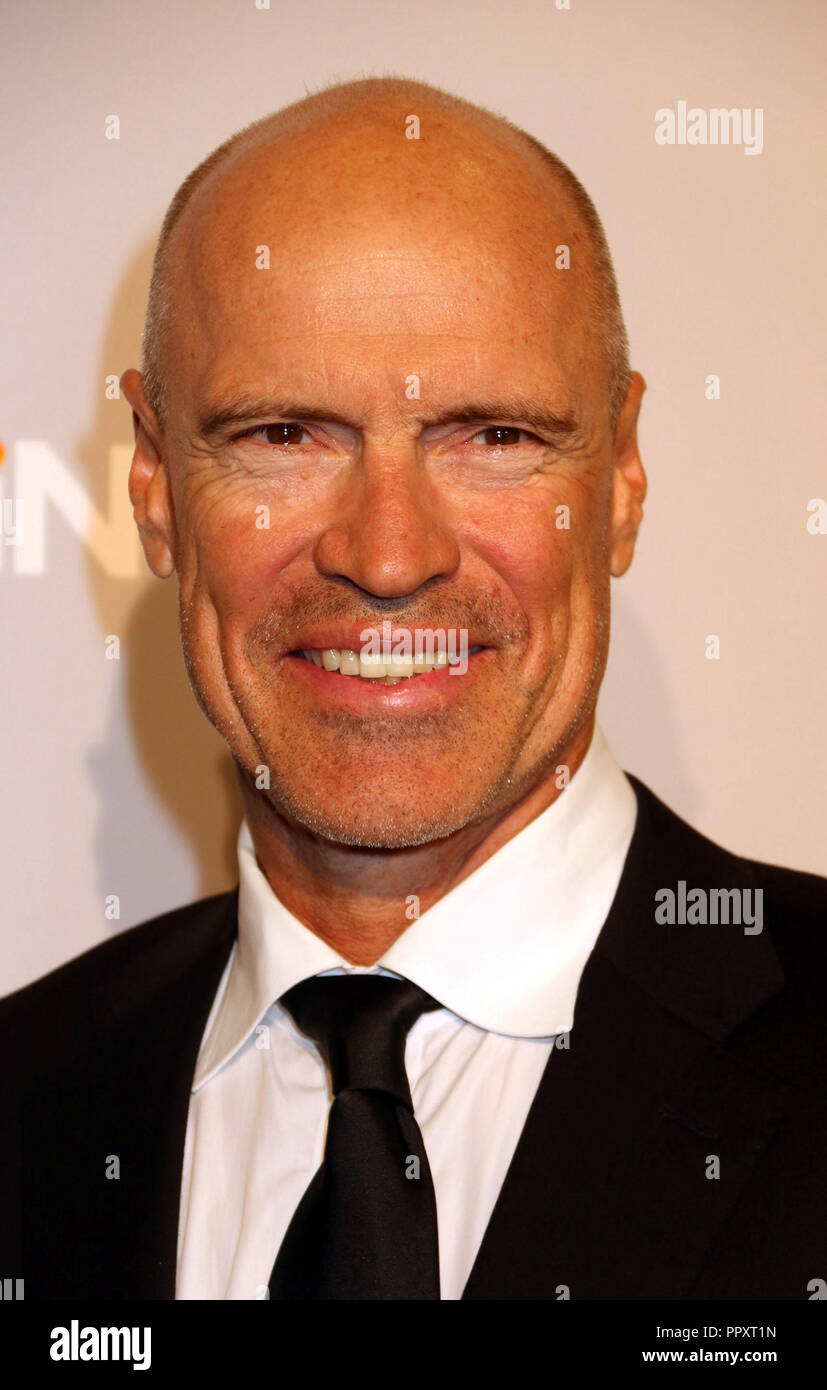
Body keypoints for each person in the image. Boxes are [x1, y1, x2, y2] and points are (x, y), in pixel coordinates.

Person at [1, 76, 825, 1301]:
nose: (387, 555)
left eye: (492, 435)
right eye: (284, 433)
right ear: (156, 485)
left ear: (623, 478)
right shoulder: (25, 1096)